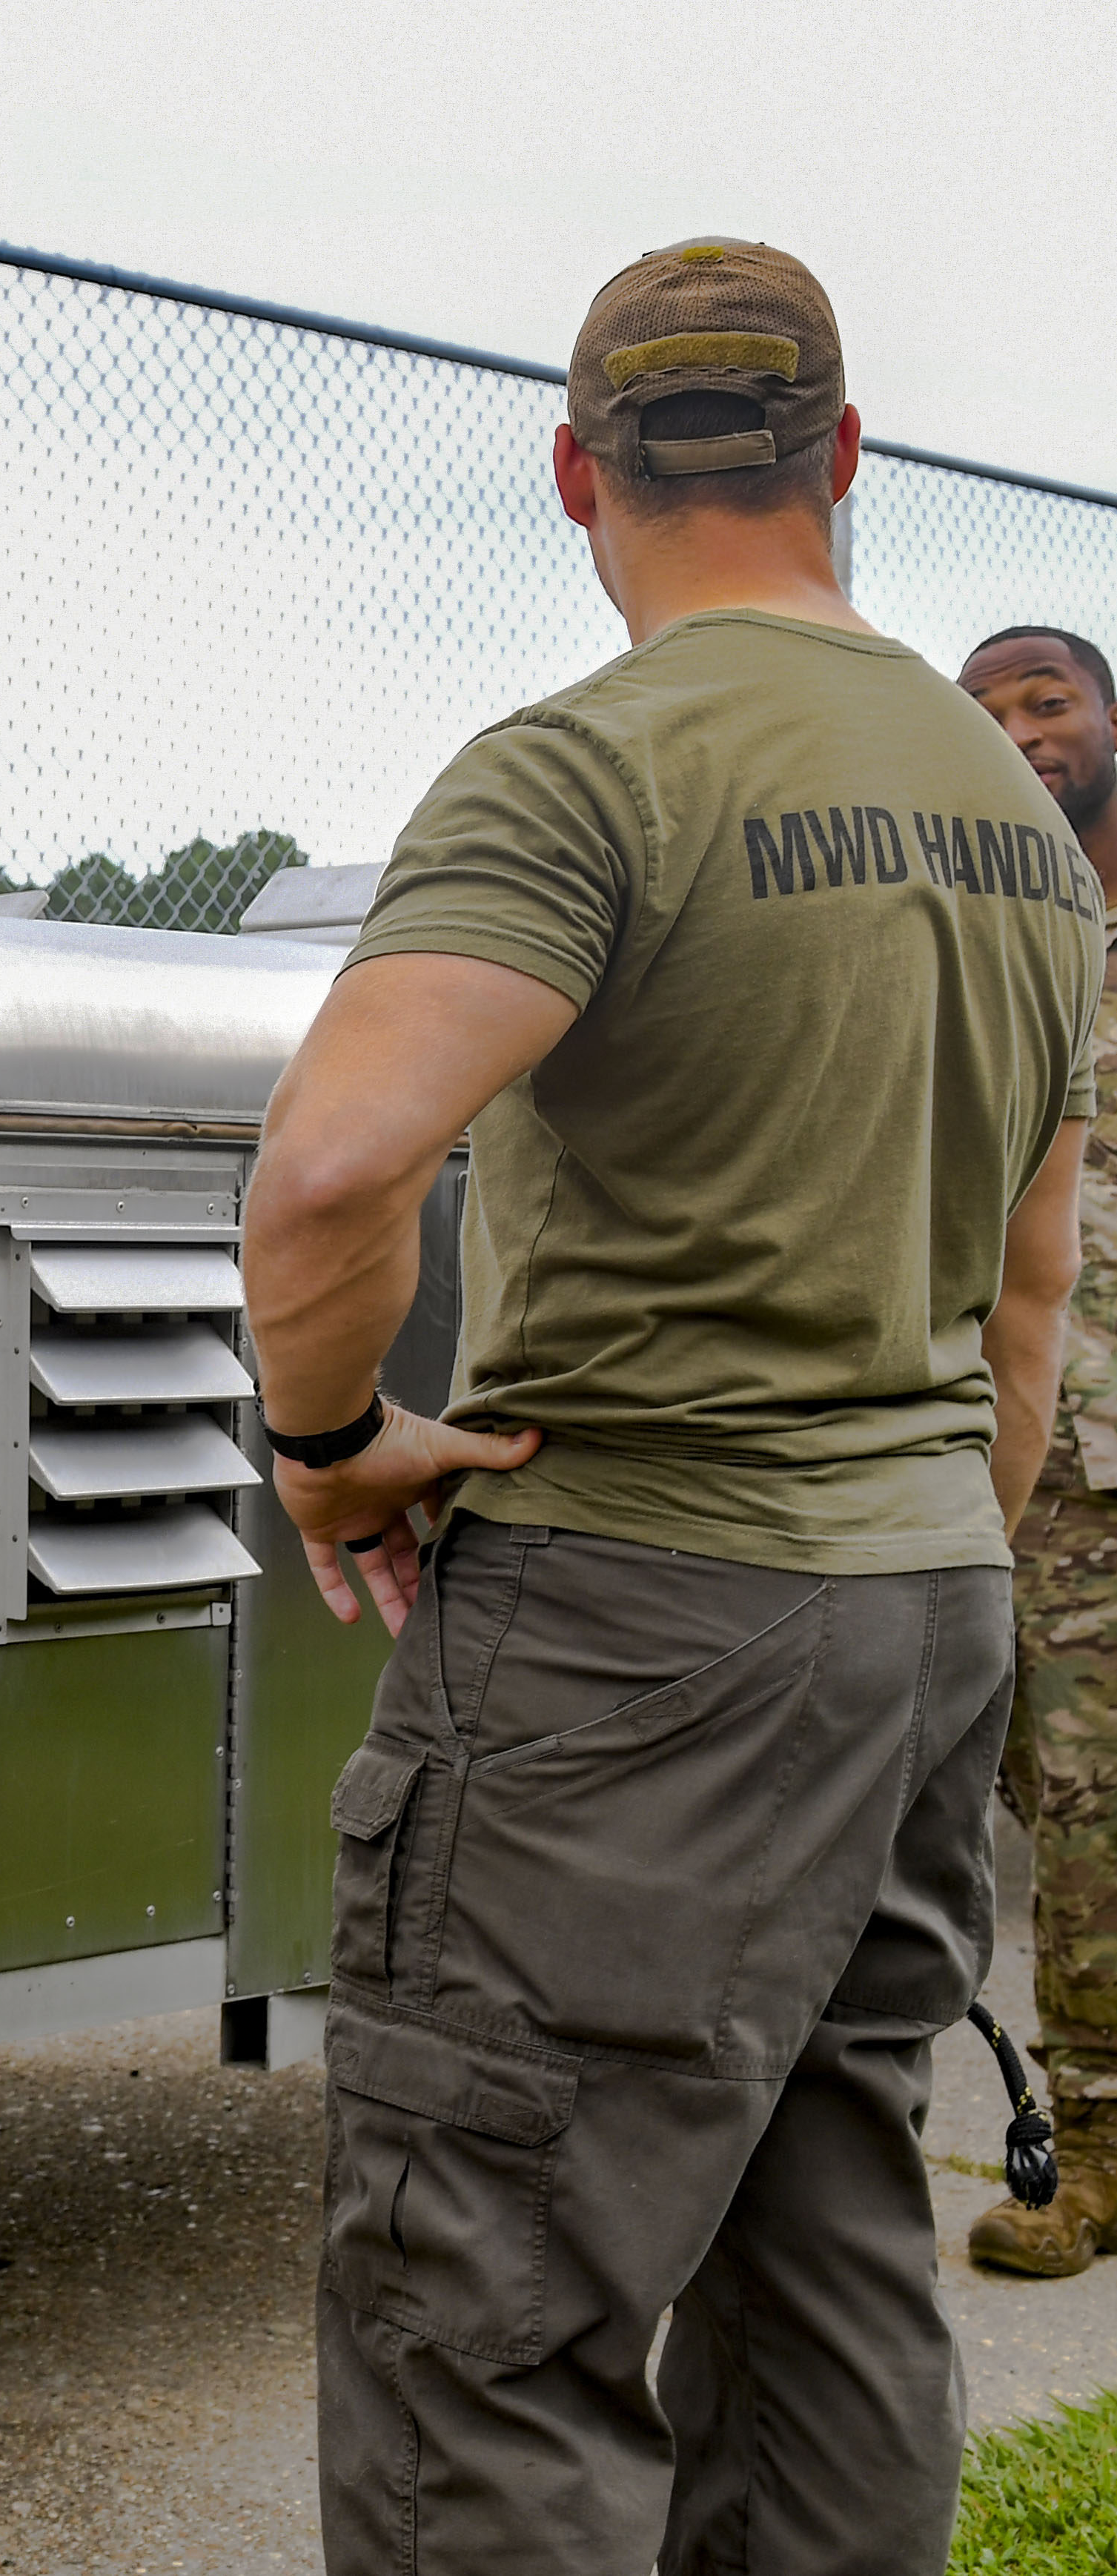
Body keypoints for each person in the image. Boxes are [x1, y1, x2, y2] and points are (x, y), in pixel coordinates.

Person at [242, 239, 1099, 2575]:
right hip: (921, 1597)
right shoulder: (1023, 823)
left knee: (486, 2293)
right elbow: (1031, 1293)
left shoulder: (587, 762)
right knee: (824, 2244)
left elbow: (328, 1170)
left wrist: (330, 1444)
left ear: (570, 471)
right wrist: (926, 1551)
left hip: (638, 1626)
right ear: (845, 459)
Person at [961, 622, 1117, 2274]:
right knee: (1038, 1809)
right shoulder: (998, 938)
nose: (1018, 729)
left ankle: (1098, 2156)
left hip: (1101, 1467)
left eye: (1047, 699)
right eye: (987, 711)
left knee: (1086, 1822)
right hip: (1004, 1450)